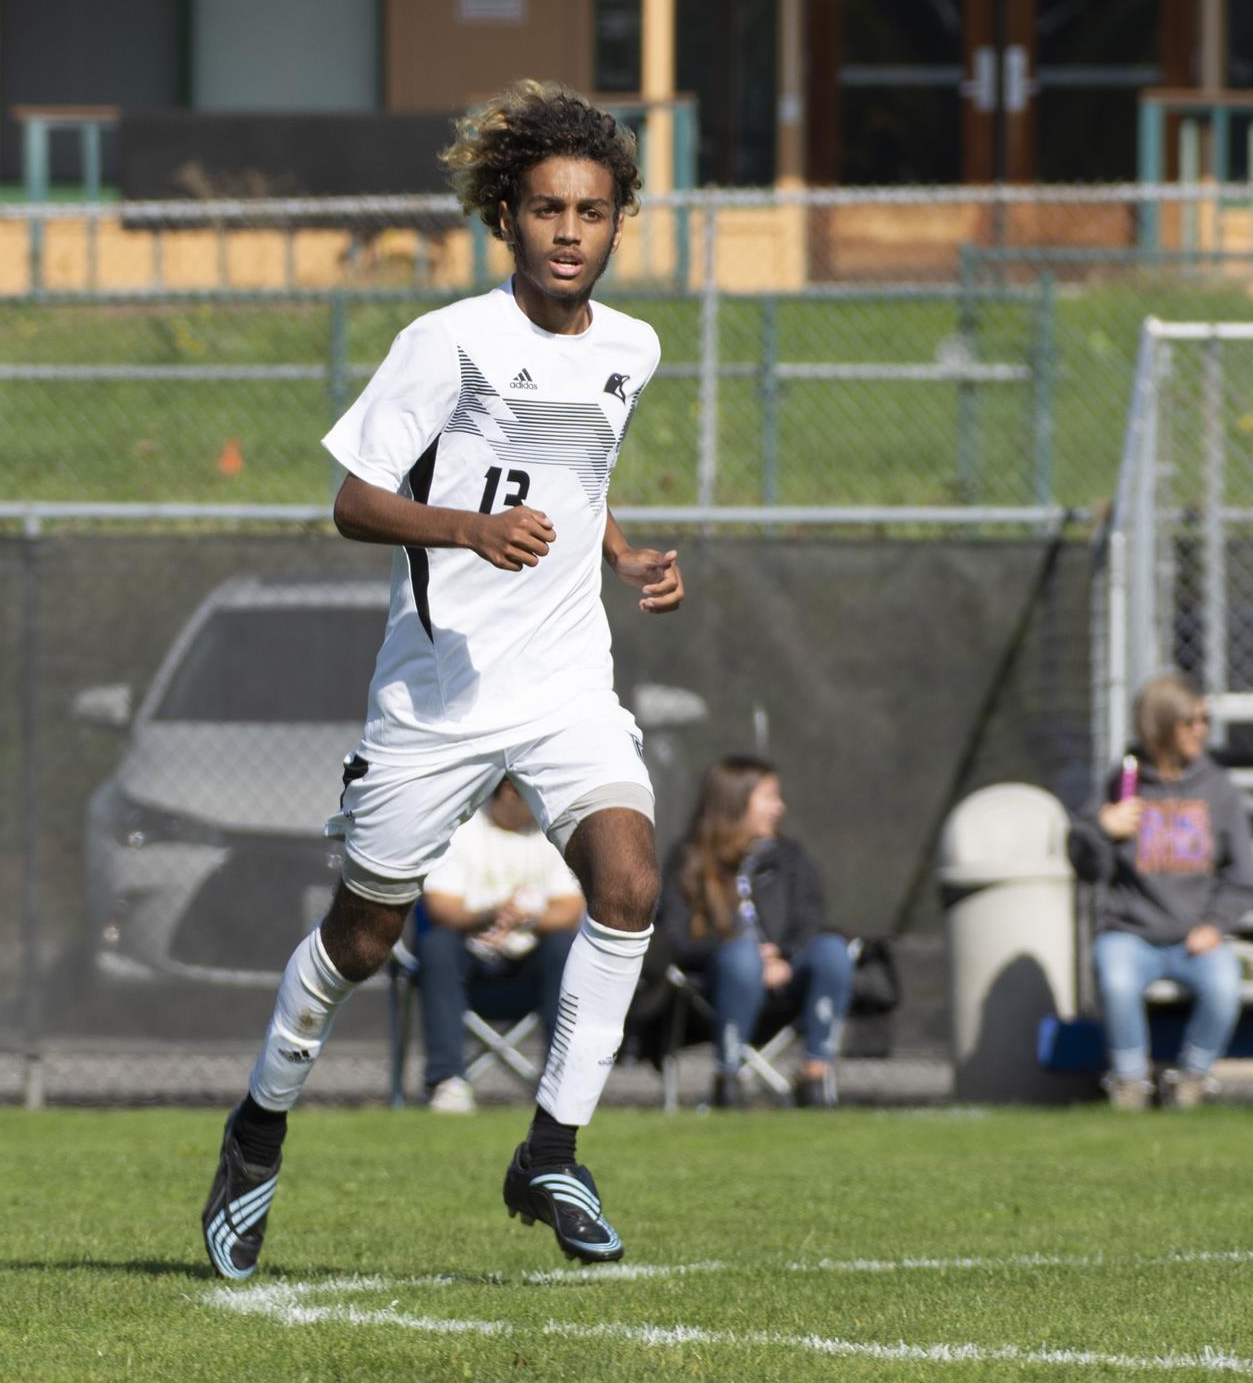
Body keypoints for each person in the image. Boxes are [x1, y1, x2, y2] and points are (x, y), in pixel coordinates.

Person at [204, 81, 685, 1280]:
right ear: (504, 218)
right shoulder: (450, 341)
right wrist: (466, 531)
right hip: (439, 697)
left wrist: (619, 552)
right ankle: (256, 1131)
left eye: (589, 209)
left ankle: (551, 1148)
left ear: (619, 218)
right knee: (364, 938)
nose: (568, 230)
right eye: (543, 210)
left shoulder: (634, 347)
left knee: (627, 880)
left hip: (567, 678)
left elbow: (573, 474)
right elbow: (353, 501)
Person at [1068, 673, 1253, 1110]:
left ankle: (1192, 1078)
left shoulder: (1217, 790)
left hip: (1195, 936)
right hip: (1132, 932)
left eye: (1204, 719)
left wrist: (1216, 925)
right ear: (1160, 726)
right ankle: (1130, 1082)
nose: (1200, 729)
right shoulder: (1123, 783)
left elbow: (1243, 876)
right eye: (1189, 721)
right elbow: (1086, 868)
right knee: (1115, 977)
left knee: (1225, 985)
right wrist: (1102, 827)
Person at [656, 757, 853, 1108]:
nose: (780, 807)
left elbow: (810, 920)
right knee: (742, 957)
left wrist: (784, 956)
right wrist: (743, 955)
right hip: (716, 988)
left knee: (832, 950)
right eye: (770, 797)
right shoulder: (687, 858)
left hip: (785, 979)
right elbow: (675, 939)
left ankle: (814, 1077)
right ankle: (727, 1079)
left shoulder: (790, 857)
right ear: (735, 801)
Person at [413, 776, 585, 1115]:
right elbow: (441, 905)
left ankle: (560, 1080)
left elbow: (569, 910)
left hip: (530, 968)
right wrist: (492, 914)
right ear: (508, 790)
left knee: (564, 947)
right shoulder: (462, 831)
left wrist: (526, 919)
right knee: (437, 944)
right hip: (469, 963)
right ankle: (447, 1081)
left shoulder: (552, 835)